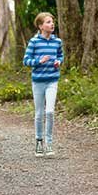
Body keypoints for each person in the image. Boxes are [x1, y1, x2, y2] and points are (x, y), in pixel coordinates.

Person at [22, 12, 63, 157]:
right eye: (48, 22)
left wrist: (59, 61)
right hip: (38, 81)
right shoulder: (34, 42)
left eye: (52, 22)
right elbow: (26, 61)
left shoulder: (57, 42)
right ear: (40, 26)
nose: (51, 24)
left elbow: (60, 55)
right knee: (39, 113)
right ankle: (39, 141)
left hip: (52, 80)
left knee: (50, 111)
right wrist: (39, 61)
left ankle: (49, 142)